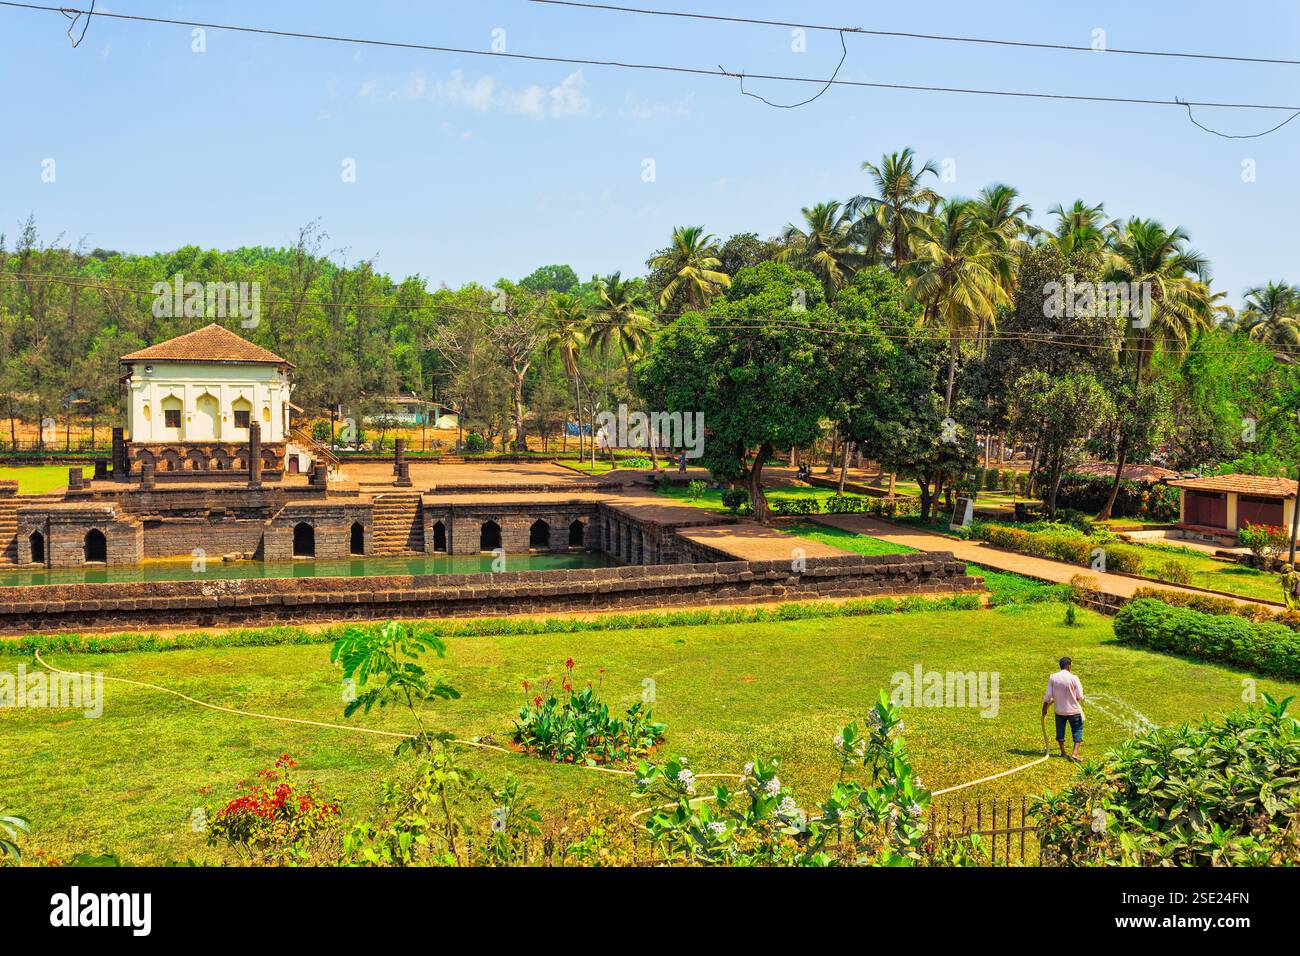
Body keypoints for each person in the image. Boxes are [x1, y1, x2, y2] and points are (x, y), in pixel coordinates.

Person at [1042, 656, 1085, 762]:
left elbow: (1048, 694)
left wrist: (1045, 707)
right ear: (1069, 666)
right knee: (1077, 730)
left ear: (1060, 666)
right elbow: (1079, 696)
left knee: (1060, 731)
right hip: (1073, 711)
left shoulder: (1053, 677)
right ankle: (1075, 753)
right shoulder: (1074, 678)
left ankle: (1062, 752)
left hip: (1059, 711)